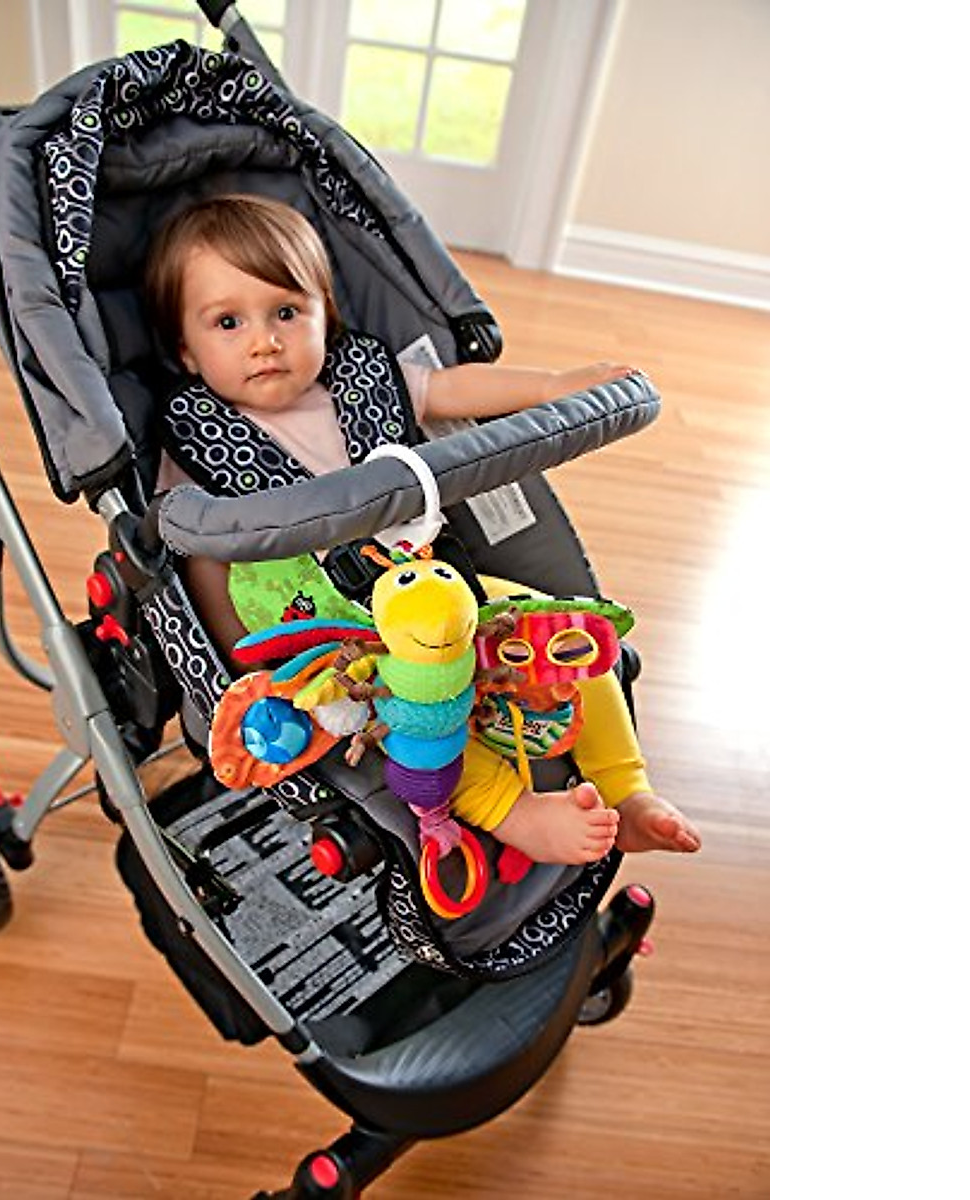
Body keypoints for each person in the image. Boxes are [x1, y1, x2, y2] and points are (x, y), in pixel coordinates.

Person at [145, 193, 701, 866]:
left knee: (570, 633)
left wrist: (555, 385)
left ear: (326, 313)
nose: (265, 340)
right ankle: (513, 813)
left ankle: (627, 787)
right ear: (187, 350)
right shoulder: (196, 443)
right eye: (228, 322)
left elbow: (453, 389)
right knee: (410, 716)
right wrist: (249, 662)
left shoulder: (363, 380)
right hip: (343, 641)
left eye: (287, 312)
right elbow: (203, 551)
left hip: (444, 588)